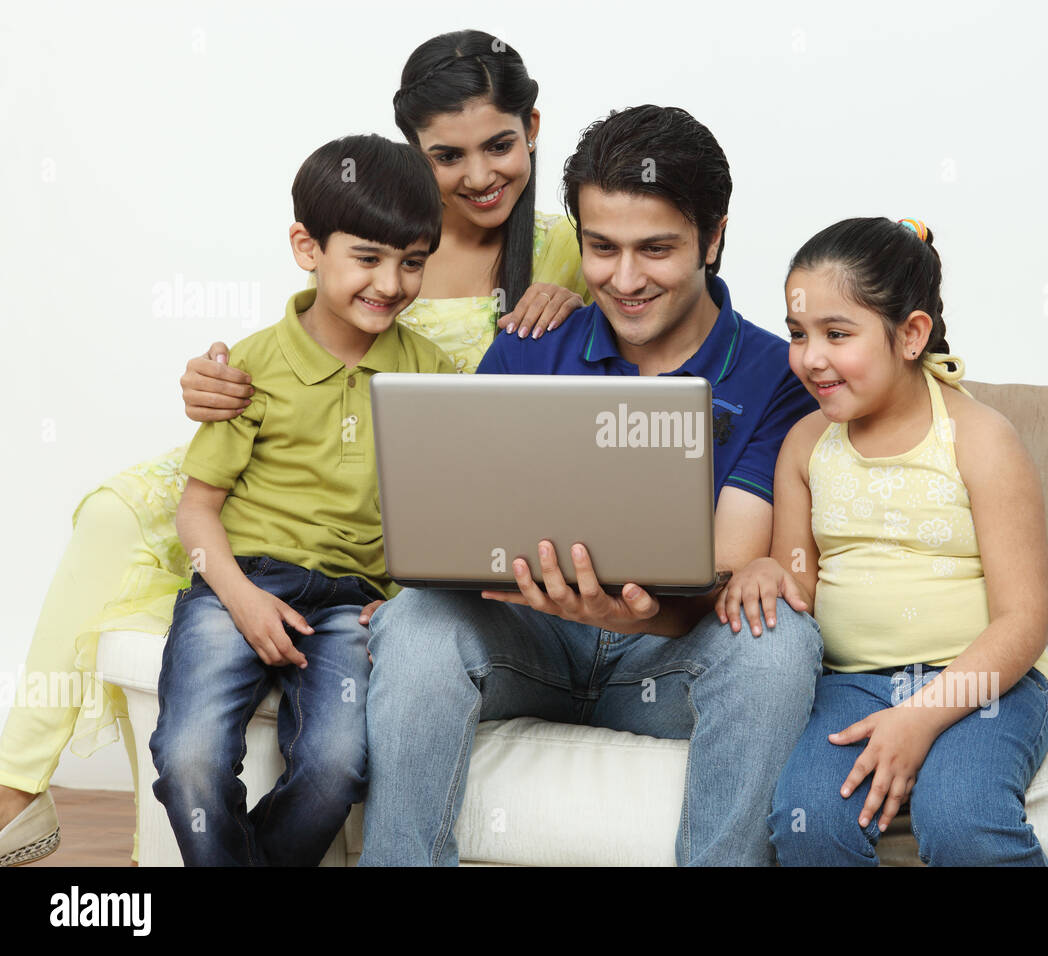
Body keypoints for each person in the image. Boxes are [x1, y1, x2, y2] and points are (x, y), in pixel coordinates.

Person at [0, 29, 584, 865]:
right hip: (296, 438)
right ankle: (17, 783)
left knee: (333, 752)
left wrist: (581, 306)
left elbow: (644, 332)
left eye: (500, 145)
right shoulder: (384, 223)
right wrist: (211, 378)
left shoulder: (568, 246)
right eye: (447, 155)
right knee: (111, 517)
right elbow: (311, 335)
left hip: (399, 481)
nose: (481, 175)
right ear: (412, 156)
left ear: (533, 127)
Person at [358, 105, 825, 868]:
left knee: (780, 643)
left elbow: (731, 571)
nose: (626, 279)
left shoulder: (778, 373)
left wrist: (625, 614)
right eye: (602, 249)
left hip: (670, 657)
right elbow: (458, 512)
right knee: (416, 623)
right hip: (530, 642)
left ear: (714, 237)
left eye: (657, 249)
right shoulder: (531, 347)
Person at [149, 133, 457, 866]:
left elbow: (447, 512)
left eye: (413, 262)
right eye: (369, 257)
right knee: (189, 759)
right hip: (241, 581)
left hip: (353, 605)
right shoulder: (249, 367)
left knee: (338, 765)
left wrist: (415, 595)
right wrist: (242, 598)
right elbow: (197, 509)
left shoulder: (432, 375)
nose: (391, 282)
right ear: (307, 246)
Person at [717, 217, 1048, 866]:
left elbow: (1025, 620)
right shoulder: (805, 446)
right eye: (797, 334)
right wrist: (766, 570)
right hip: (850, 685)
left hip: (978, 685)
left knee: (961, 820)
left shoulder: (981, 439)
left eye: (836, 334)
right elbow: (801, 587)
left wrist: (922, 716)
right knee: (807, 822)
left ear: (911, 334)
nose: (810, 356)